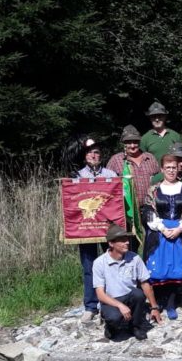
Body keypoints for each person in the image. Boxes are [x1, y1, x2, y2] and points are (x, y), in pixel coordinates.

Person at [142, 154, 182, 320]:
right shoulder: (154, 189)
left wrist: (180, 228)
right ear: (162, 169)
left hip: (179, 232)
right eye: (168, 168)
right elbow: (148, 211)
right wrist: (162, 228)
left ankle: (172, 302)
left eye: (174, 167)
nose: (171, 171)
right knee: (160, 267)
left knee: (176, 268)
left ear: (178, 168)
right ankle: (160, 300)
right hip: (160, 232)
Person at [73, 135, 118, 324]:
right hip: (86, 228)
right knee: (89, 267)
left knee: (112, 264)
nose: (93, 155)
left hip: (107, 227)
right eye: (90, 153)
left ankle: (112, 302)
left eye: (97, 152)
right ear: (84, 156)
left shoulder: (111, 174)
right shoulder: (76, 176)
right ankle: (90, 306)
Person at [93, 224, 162, 341]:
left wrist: (154, 307)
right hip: (111, 300)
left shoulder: (135, 258)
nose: (127, 242)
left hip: (130, 297)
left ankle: (135, 325)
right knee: (114, 318)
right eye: (122, 240)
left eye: (127, 239)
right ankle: (111, 326)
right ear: (111, 243)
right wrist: (120, 305)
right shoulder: (99, 263)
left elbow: (145, 283)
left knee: (139, 294)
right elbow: (100, 295)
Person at [107, 124, 159, 209]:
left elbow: (159, 180)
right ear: (124, 143)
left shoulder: (150, 158)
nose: (132, 145)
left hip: (151, 207)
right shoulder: (115, 160)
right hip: (127, 210)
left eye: (135, 142)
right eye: (128, 142)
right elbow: (108, 186)